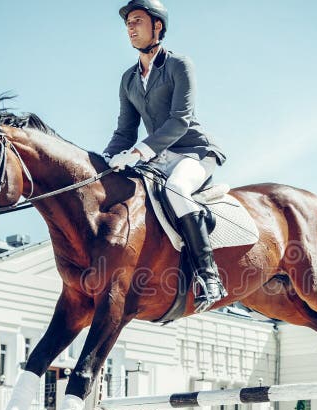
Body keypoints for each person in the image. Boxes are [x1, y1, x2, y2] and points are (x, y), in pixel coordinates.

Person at [104, 0, 228, 312]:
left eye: (137, 21)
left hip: (195, 151)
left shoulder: (178, 65)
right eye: (128, 24)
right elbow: (124, 131)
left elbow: (180, 119)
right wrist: (104, 160)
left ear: (157, 26)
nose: (130, 28)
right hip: (157, 157)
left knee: (176, 189)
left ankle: (209, 278)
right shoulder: (128, 79)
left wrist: (138, 152)